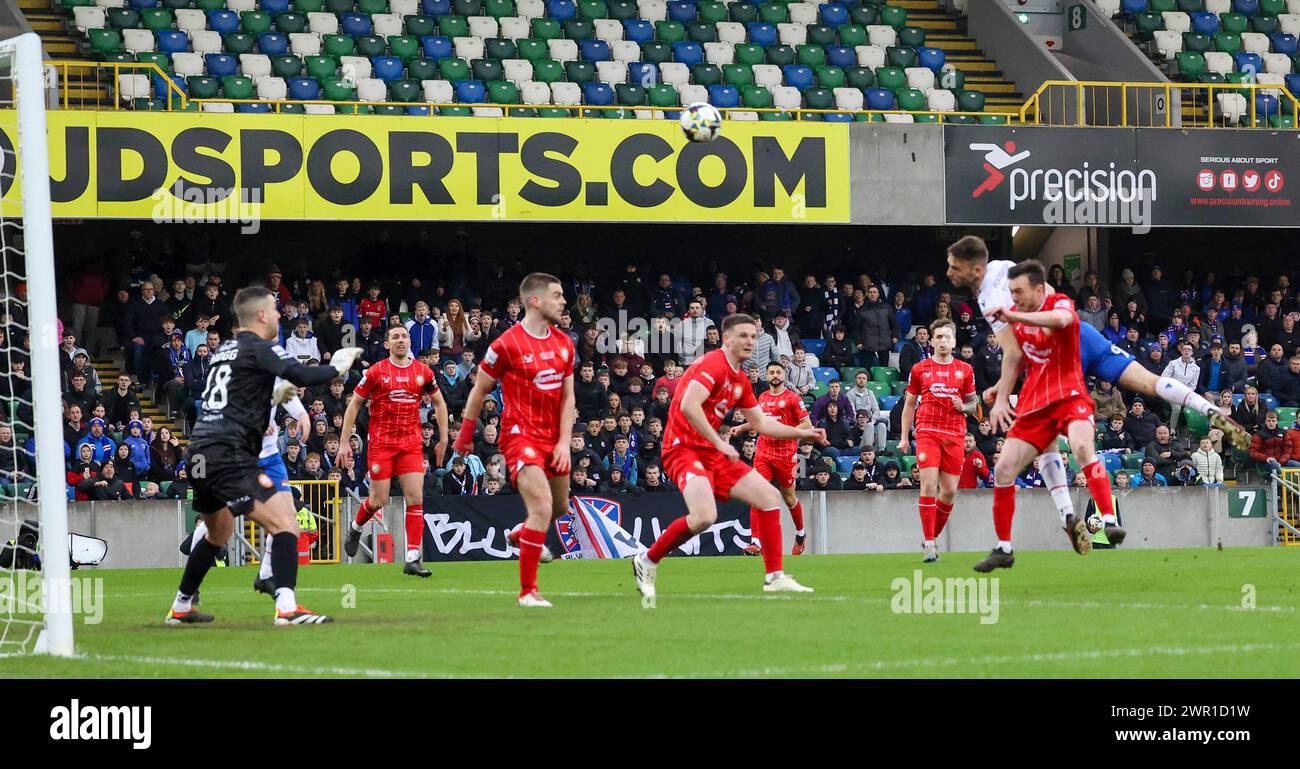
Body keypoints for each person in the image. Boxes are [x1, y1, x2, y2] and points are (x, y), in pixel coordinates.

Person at [946, 236, 1243, 553]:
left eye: (953, 267)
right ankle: (1209, 410)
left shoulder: (991, 300)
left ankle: (1067, 517)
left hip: (1058, 357)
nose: (949, 272)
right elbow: (1041, 314)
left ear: (972, 268)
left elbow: (1015, 352)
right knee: (1147, 381)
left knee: (1046, 441)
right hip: (1081, 338)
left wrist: (1004, 394)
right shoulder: (1005, 268)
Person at [165, 286, 360, 626]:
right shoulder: (258, 347)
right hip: (228, 454)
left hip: (200, 452)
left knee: (217, 533)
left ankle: (181, 605)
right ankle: (287, 607)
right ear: (260, 315)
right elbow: (299, 375)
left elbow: (244, 395)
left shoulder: (225, 350)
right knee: (286, 524)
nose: (279, 315)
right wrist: (337, 367)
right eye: (274, 309)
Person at [632, 314, 826, 604]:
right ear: (727, 339)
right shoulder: (713, 364)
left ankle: (775, 576)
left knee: (769, 497)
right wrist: (717, 442)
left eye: (753, 335)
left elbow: (761, 423)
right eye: (743, 335)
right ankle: (647, 560)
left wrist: (803, 435)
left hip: (711, 451)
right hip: (682, 449)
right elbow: (687, 405)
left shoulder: (739, 379)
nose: (750, 341)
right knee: (704, 517)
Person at [971, 259, 1124, 572]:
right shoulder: (1019, 320)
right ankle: (1004, 548)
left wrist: (1014, 314)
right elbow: (1020, 360)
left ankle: (1108, 521)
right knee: (1003, 470)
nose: (1013, 299)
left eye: (1018, 292)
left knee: (1082, 447)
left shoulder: (1059, 302)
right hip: (1036, 402)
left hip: (1069, 394)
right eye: (1010, 293)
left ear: (1038, 289)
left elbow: (1063, 320)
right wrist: (1000, 389)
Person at [453, 273, 575, 608]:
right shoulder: (506, 344)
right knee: (541, 507)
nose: (563, 300)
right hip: (520, 435)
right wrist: (465, 436)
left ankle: (522, 534)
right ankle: (527, 591)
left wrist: (564, 442)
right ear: (535, 301)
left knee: (560, 507)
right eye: (557, 294)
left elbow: (569, 398)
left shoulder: (564, 343)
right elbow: (480, 390)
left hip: (554, 438)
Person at [340, 325, 448, 577]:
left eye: (404, 336)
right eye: (395, 337)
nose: (401, 340)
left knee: (416, 497)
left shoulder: (423, 371)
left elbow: (440, 402)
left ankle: (412, 557)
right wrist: (345, 441)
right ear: (387, 344)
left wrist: (443, 438)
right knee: (379, 500)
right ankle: (355, 527)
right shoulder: (377, 372)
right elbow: (355, 404)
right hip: (381, 444)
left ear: (410, 341)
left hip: (410, 444)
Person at [898, 318, 977, 562]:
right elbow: (910, 403)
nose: (943, 341)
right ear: (931, 341)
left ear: (954, 341)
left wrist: (962, 405)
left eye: (948, 337)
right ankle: (930, 544)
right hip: (928, 431)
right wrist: (903, 437)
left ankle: (930, 536)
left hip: (955, 433)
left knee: (950, 491)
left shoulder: (965, 370)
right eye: (939, 337)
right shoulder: (920, 369)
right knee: (929, 485)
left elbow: (975, 405)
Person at [729, 362, 818, 557]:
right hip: (763, 452)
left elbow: (807, 425)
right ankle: (755, 543)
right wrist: (741, 428)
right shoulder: (762, 397)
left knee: (788, 497)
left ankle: (800, 535)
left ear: (783, 375)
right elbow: (758, 420)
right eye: (771, 372)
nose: (775, 375)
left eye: (778, 372)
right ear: (767, 375)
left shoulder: (793, 399)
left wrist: (784, 432)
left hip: (786, 455)